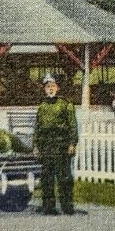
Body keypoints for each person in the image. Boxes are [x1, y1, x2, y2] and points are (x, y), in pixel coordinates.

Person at [32, 72, 79, 216]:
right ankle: (48, 206)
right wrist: (35, 146)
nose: (50, 89)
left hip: (61, 144)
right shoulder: (42, 106)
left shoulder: (65, 104)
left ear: (58, 88)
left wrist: (72, 143)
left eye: (53, 86)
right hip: (46, 145)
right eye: (47, 87)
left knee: (64, 177)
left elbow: (72, 125)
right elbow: (38, 127)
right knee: (47, 177)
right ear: (44, 89)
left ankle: (67, 205)